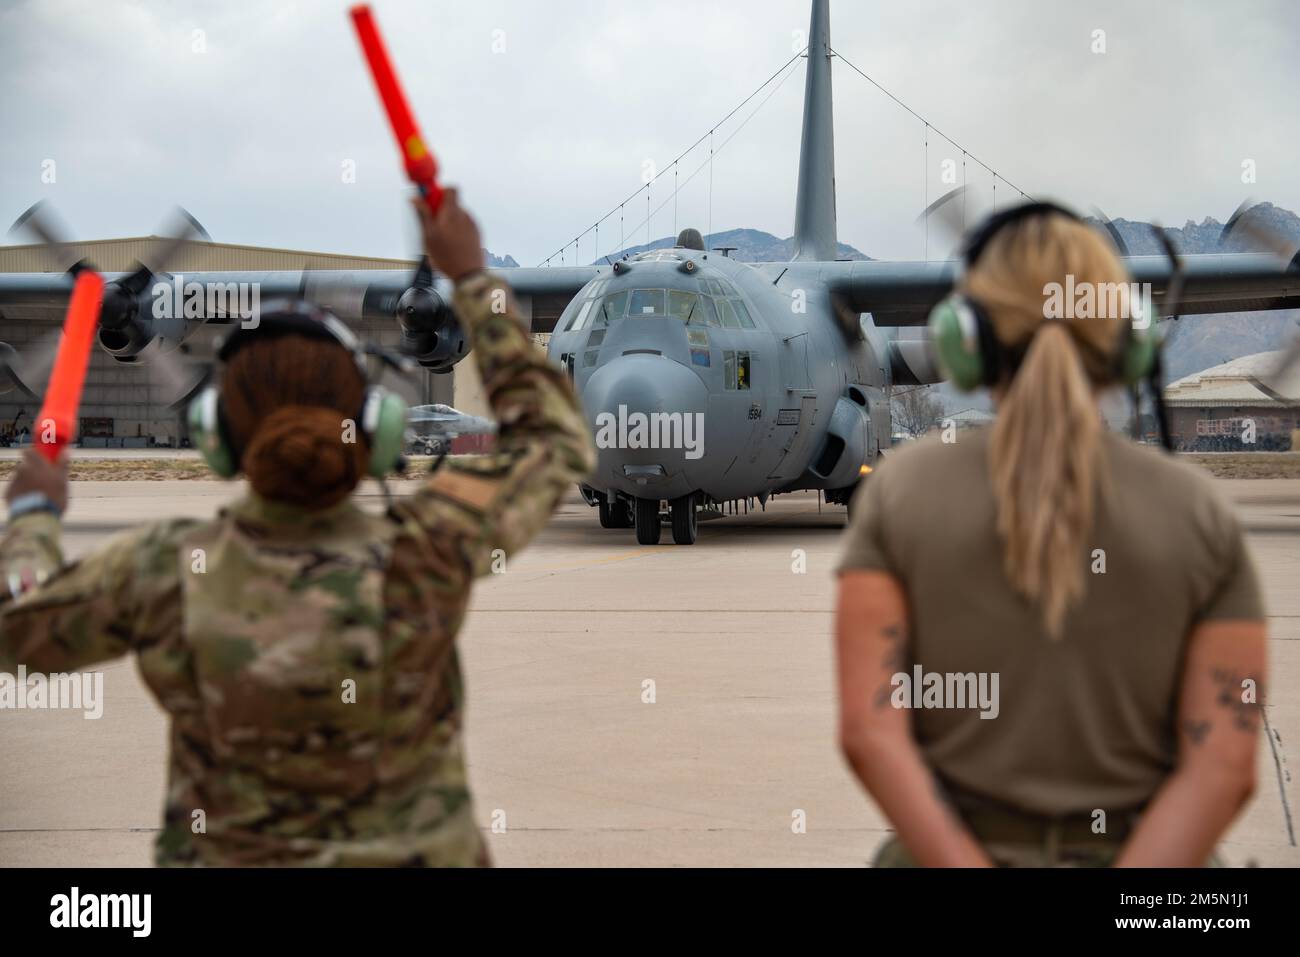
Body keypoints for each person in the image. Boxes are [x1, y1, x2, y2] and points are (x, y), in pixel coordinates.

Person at [0, 190, 595, 866]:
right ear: (376, 428)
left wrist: (33, 514)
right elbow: (553, 440)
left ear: (217, 433)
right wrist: (474, 280)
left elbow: (15, 623)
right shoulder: (428, 550)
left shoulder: (164, 568)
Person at [835, 203, 1267, 867]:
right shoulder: (1198, 513)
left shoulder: (899, 496)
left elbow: (871, 732)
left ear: (964, 339)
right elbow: (1225, 768)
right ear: (1131, 338)